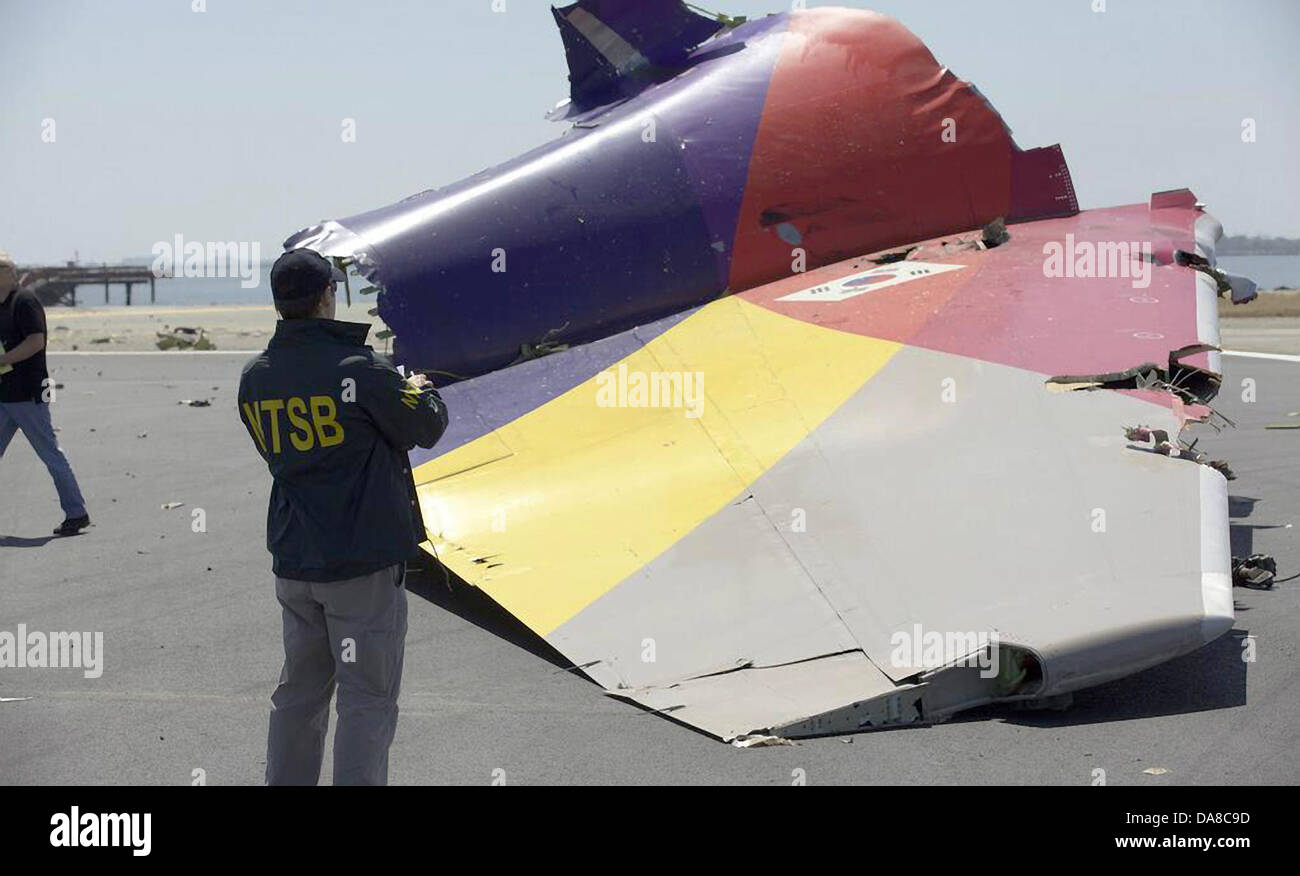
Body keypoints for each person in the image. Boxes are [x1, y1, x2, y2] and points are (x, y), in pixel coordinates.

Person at [238, 248, 448, 785]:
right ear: (326, 297)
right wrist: (423, 390)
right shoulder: (360, 369)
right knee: (367, 698)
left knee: (299, 696)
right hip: (359, 564)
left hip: (295, 561)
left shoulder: (255, 377)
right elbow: (423, 426)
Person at [0, 251, 90, 536]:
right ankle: (76, 512)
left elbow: (36, 342)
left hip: (29, 393)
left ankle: (77, 513)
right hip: (4, 395)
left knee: (50, 454)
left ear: (9, 272)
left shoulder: (25, 301)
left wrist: (3, 360)